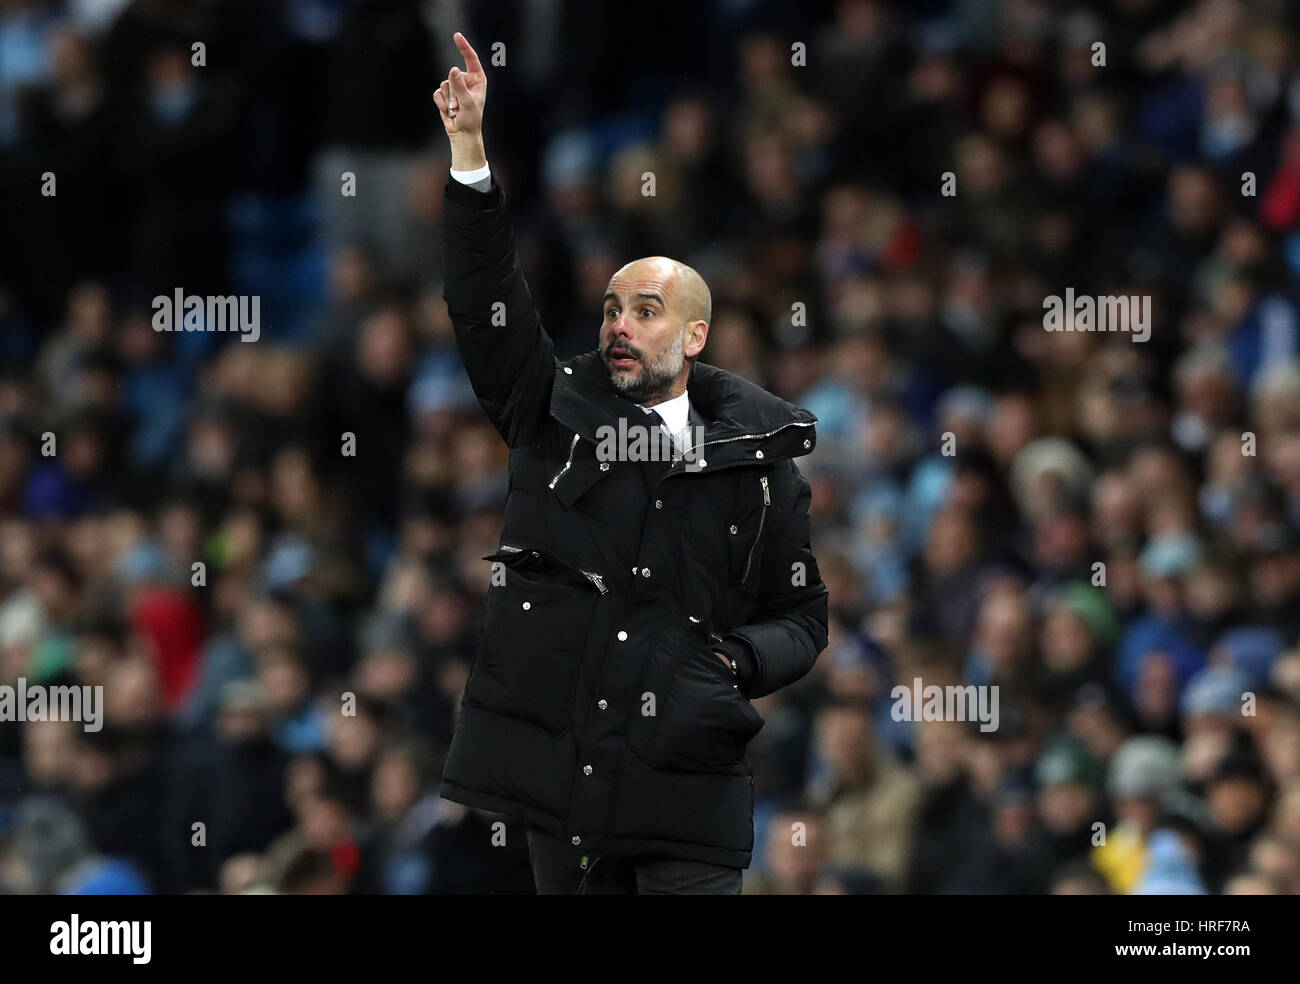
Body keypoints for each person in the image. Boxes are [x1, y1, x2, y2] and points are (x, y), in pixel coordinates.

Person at [431, 33, 828, 894]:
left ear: (694, 336)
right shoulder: (548, 410)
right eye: (612, 308)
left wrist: (738, 664)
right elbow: (484, 303)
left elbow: (803, 616)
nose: (618, 324)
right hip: (564, 772)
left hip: (687, 777)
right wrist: (469, 156)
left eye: (645, 310)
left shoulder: (762, 465)